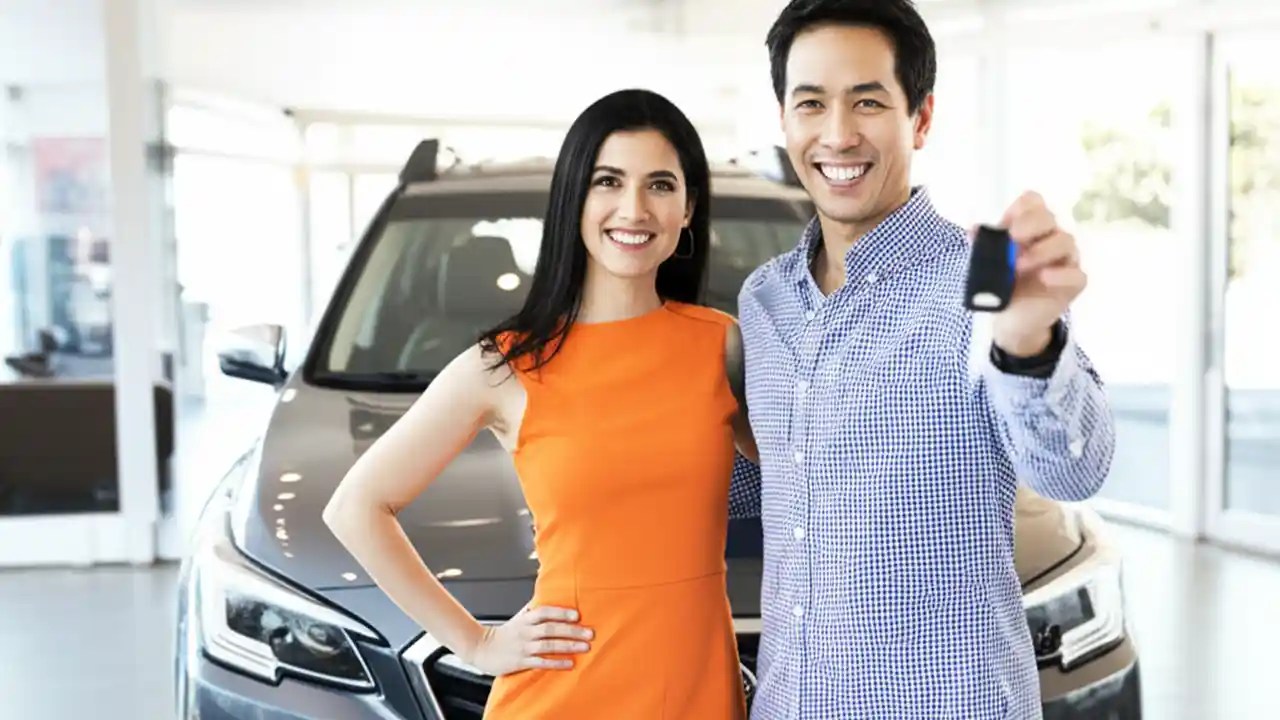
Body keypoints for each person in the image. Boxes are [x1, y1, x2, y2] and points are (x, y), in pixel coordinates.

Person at [725, 1, 1117, 718]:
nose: (837, 133)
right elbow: (771, 481)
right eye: (811, 103)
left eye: (868, 101)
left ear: (922, 117)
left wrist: (1027, 343)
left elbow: (1072, 469)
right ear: (784, 119)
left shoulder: (988, 281)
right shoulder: (764, 299)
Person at [323, 88, 756, 719]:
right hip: (563, 692)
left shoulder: (723, 346)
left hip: (693, 689)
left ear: (688, 208)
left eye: (660, 185)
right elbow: (355, 507)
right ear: (574, 197)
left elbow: (812, 486)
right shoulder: (505, 364)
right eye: (608, 181)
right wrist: (476, 642)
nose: (634, 209)